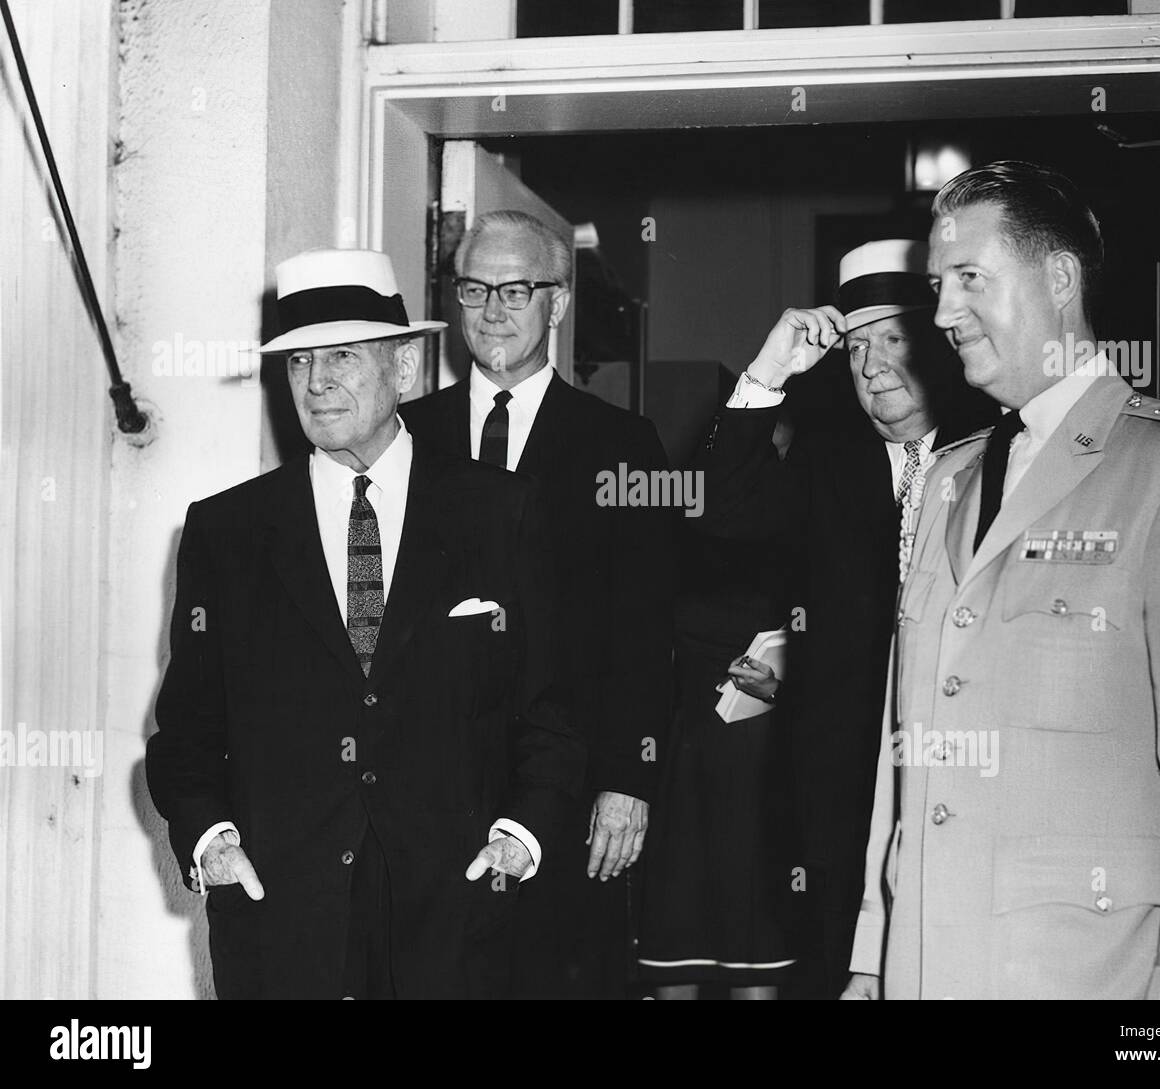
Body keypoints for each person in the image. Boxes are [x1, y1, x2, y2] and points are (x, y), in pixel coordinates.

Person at [843, 160, 1160, 1000]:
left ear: (1058, 277)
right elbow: (901, 745)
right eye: (938, 285)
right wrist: (872, 955)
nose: (941, 312)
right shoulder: (947, 478)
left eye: (969, 280)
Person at [146, 248, 584, 999]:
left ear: (406, 368)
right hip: (282, 921)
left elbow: (554, 709)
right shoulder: (226, 531)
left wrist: (521, 835)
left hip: (458, 920)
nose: (317, 384)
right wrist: (213, 845)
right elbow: (184, 736)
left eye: (343, 355)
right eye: (298, 363)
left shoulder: (501, 513)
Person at [693, 241, 994, 999]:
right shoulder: (828, 466)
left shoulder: (1003, 458)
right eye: (857, 347)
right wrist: (767, 374)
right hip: (841, 809)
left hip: (970, 785)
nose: (872, 367)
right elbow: (721, 512)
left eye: (894, 339)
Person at [400, 210, 675, 1000]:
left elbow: (645, 629)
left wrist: (630, 780)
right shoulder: (405, 437)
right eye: (475, 288)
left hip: (572, 791)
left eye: (515, 289)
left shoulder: (626, 447)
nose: (492, 309)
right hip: (432, 789)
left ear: (556, 303)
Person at [637, 416, 800, 1001]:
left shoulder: (802, 524)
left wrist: (782, 686)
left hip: (765, 759)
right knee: (679, 929)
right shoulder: (679, 529)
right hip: (686, 751)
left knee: (755, 937)